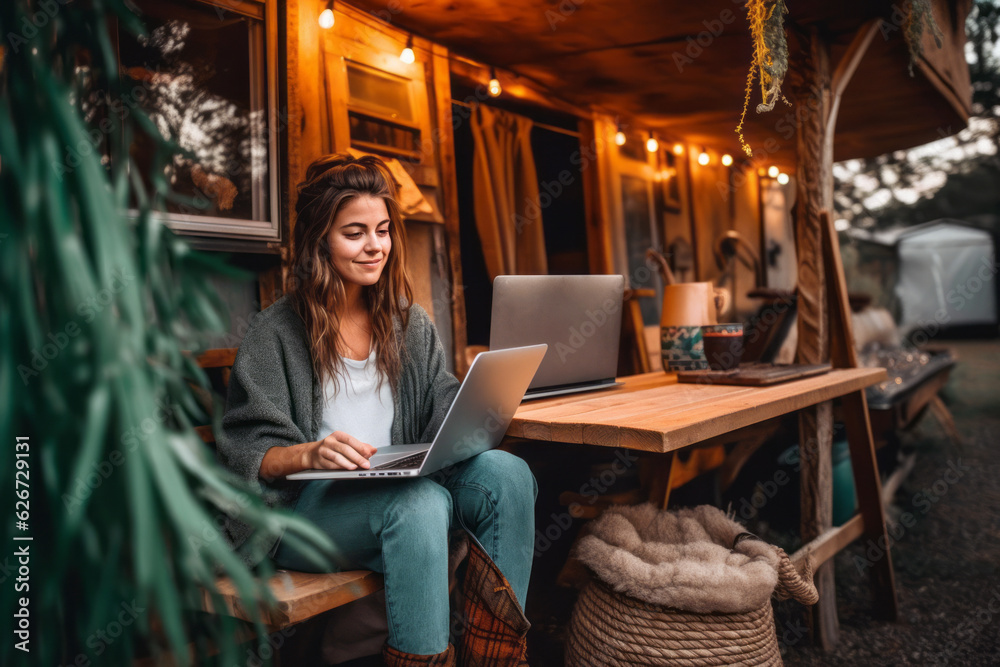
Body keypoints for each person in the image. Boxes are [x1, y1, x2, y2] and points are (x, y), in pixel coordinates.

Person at [216, 154, 536, 666]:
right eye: (355, 233)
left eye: (383, 230)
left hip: (400, 477)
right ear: (320, 239)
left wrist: (472, 408)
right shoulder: (275, 332)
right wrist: (309, 454)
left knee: (508, 474)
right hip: (310, 509)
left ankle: (495, 659)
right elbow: (247, 450)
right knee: (419, 505)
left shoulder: (408, 323)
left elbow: (441, 397)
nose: (374, 246)